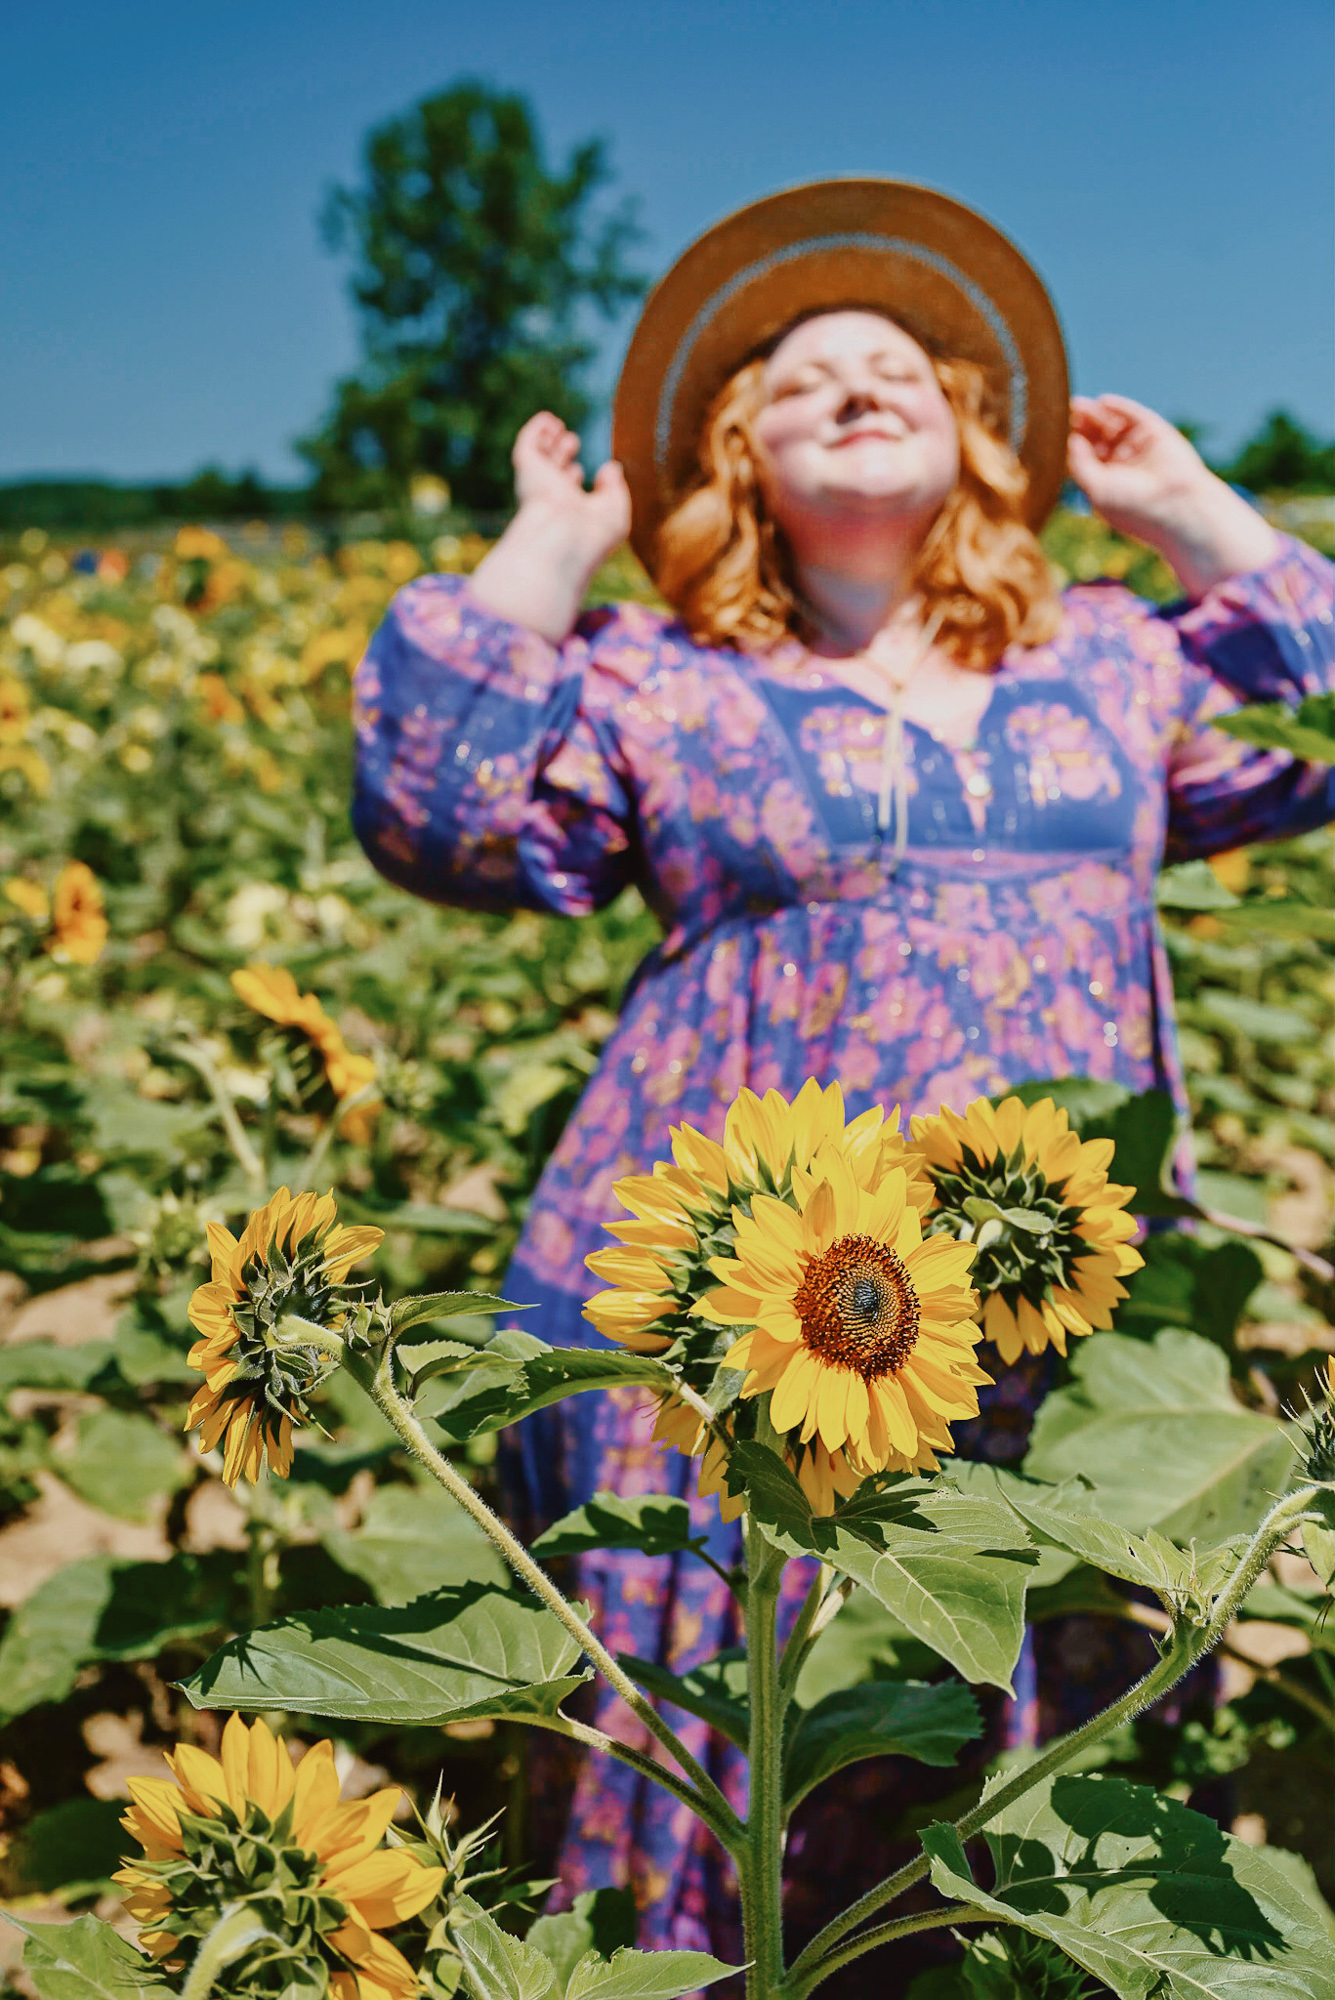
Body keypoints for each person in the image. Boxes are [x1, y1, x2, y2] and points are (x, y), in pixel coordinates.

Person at [351, 181, 1335, 1980]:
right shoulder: (666, 677)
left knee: (1031, 1707)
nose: (861, 383)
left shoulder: (1108, 655)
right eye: (805, 378)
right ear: (740, 450)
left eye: (904, 365)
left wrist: (1188, 505)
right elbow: (436, 811)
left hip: (1050, 1288)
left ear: (975, 434)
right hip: (749, 1296)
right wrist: (557, 548)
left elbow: (1322, 708)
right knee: (769, 1710)